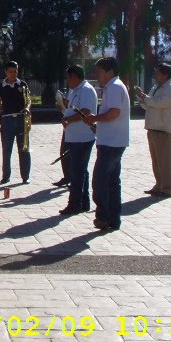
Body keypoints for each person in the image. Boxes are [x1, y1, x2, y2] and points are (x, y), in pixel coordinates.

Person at [83, 56, 130, 232]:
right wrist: (98, 126)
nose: (98, 75)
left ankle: (103, 216)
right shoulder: (113, 87)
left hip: (112, 143)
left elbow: (114, 113)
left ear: (109, 72)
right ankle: (113, 218)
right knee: (112, 181)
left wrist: (95, 118)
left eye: (100, 72)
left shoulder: (115, 87)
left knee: (100, 180)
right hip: (112, 140)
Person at [134, 63, 171, 198]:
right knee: (156, 161)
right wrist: (142, 99)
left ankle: (167, 188)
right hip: (152, 128)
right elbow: (149, 104)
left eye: (157, 73)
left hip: (163, 130)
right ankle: (159, 184)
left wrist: (145, 97)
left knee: (164, 161)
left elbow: (158, 103)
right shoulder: (156, 87)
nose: (155, 76)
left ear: (165, 74)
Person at [58, 65, 98, 216]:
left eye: (69, 77)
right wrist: (65, 107)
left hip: (83, 137)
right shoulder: (76, 90)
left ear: (75, 76)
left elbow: (86, 112)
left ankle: (74, 204)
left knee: (76, 172)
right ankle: (83, 202)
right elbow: (75, 108)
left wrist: (68, 119)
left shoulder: (86, 90)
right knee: (81, 171)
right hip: (75, 136)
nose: (67, 80)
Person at [0, 60, 32, 184]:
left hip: (21, 119)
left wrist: (27, 108)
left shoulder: (23, 84)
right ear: (6, 72)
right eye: (10, 72)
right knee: (7, 149)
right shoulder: (0, 85)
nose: (13, 74)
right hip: (7, 120)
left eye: (15, 71)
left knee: (24, 148)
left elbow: (29, 100)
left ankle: (25, 177)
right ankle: (6, 176)